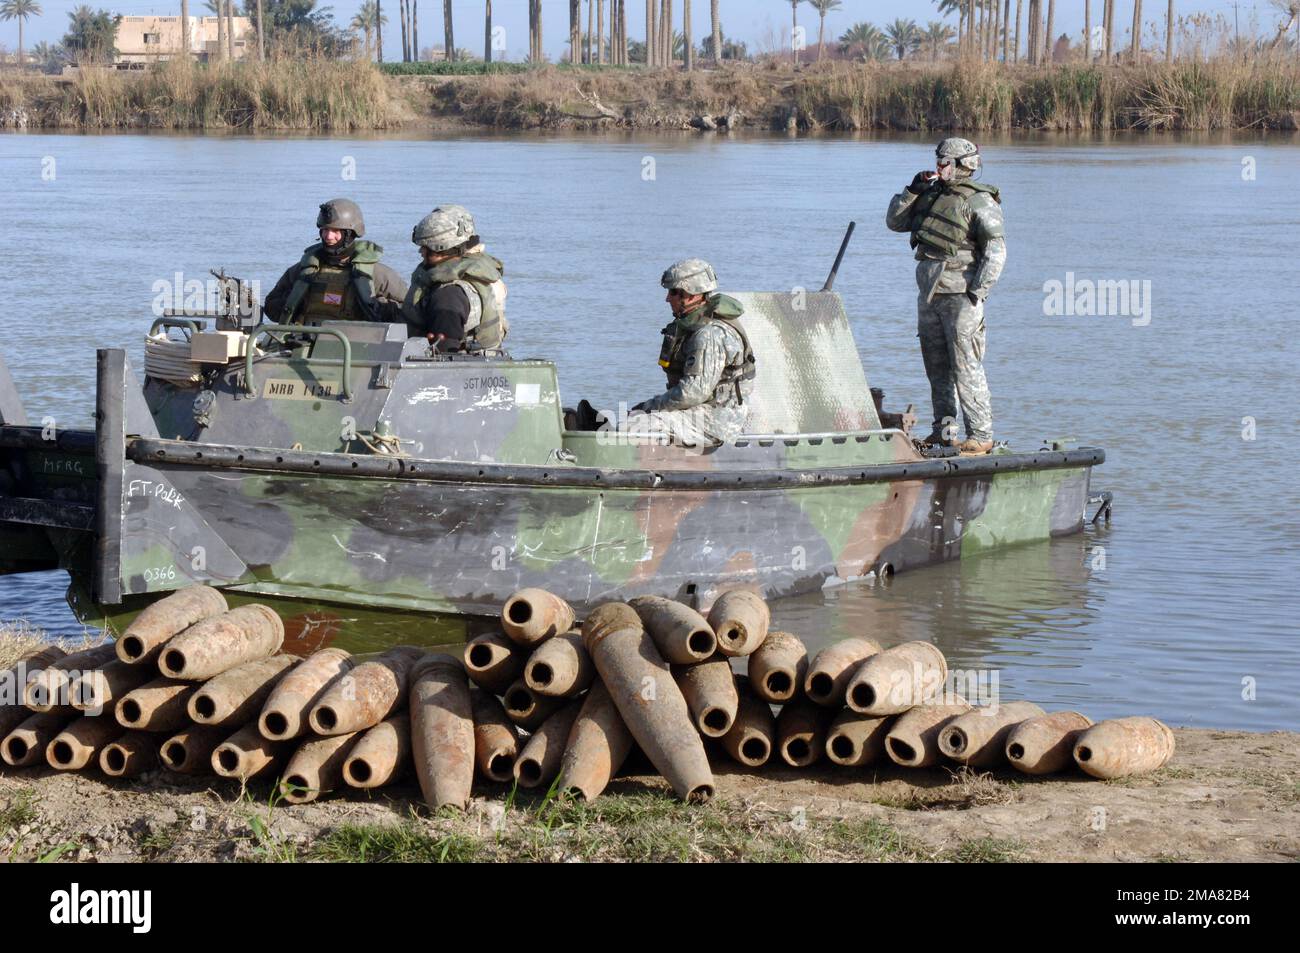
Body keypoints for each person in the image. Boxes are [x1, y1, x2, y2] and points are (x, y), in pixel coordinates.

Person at [885, 138, 1005, 455]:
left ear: (966, 165)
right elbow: (894, 222)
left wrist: (977, 293)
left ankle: (980, 435)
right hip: (930, 294)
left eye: (946, 162)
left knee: (966, 366)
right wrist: (912, 190)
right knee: (936, 368)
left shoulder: (980, 201)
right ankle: (945, 433)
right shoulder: (932, 194)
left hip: (962, 295)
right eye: (938, 161)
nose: (940, 167)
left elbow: (996, 252)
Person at [622, 258, 756, 447]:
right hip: (705, 411)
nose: (668, 299)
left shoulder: (709, 335)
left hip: (718, 420)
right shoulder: (696, 326)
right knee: (634, 417)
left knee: (632, 426)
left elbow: (692, 393)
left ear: (692, 295)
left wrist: (650, 407)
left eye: (674, 292)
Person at [263, 199, 407, 325]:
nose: (328, 236)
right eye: (325, 230)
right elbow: (270, 308)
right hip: (302, 346)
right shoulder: (304, 270)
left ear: (350, 234)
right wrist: (294, 299)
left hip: (355, 348)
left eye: (335, 231)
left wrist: (380, 307)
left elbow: (409, 314)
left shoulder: (377, 274)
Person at [403, 205, 508, 352]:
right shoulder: (480, 274)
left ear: (443, 246)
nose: (421, 251)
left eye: (427, 247)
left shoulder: (448, 296)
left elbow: (443, 353)